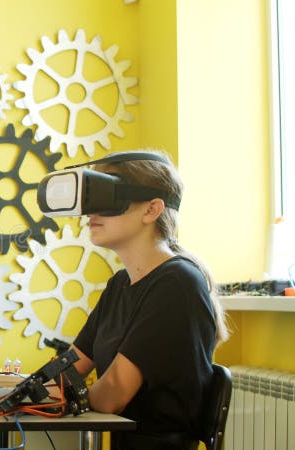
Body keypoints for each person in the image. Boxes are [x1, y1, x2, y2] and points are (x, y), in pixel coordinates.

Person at [66, 151, 230, 450]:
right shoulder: (120, 284)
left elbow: (114, 394)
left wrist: (67, 396)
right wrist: (26, 391)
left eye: (107, 197)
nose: (91, 213)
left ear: (152, 209)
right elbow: (71, 366)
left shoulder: (177, 284)